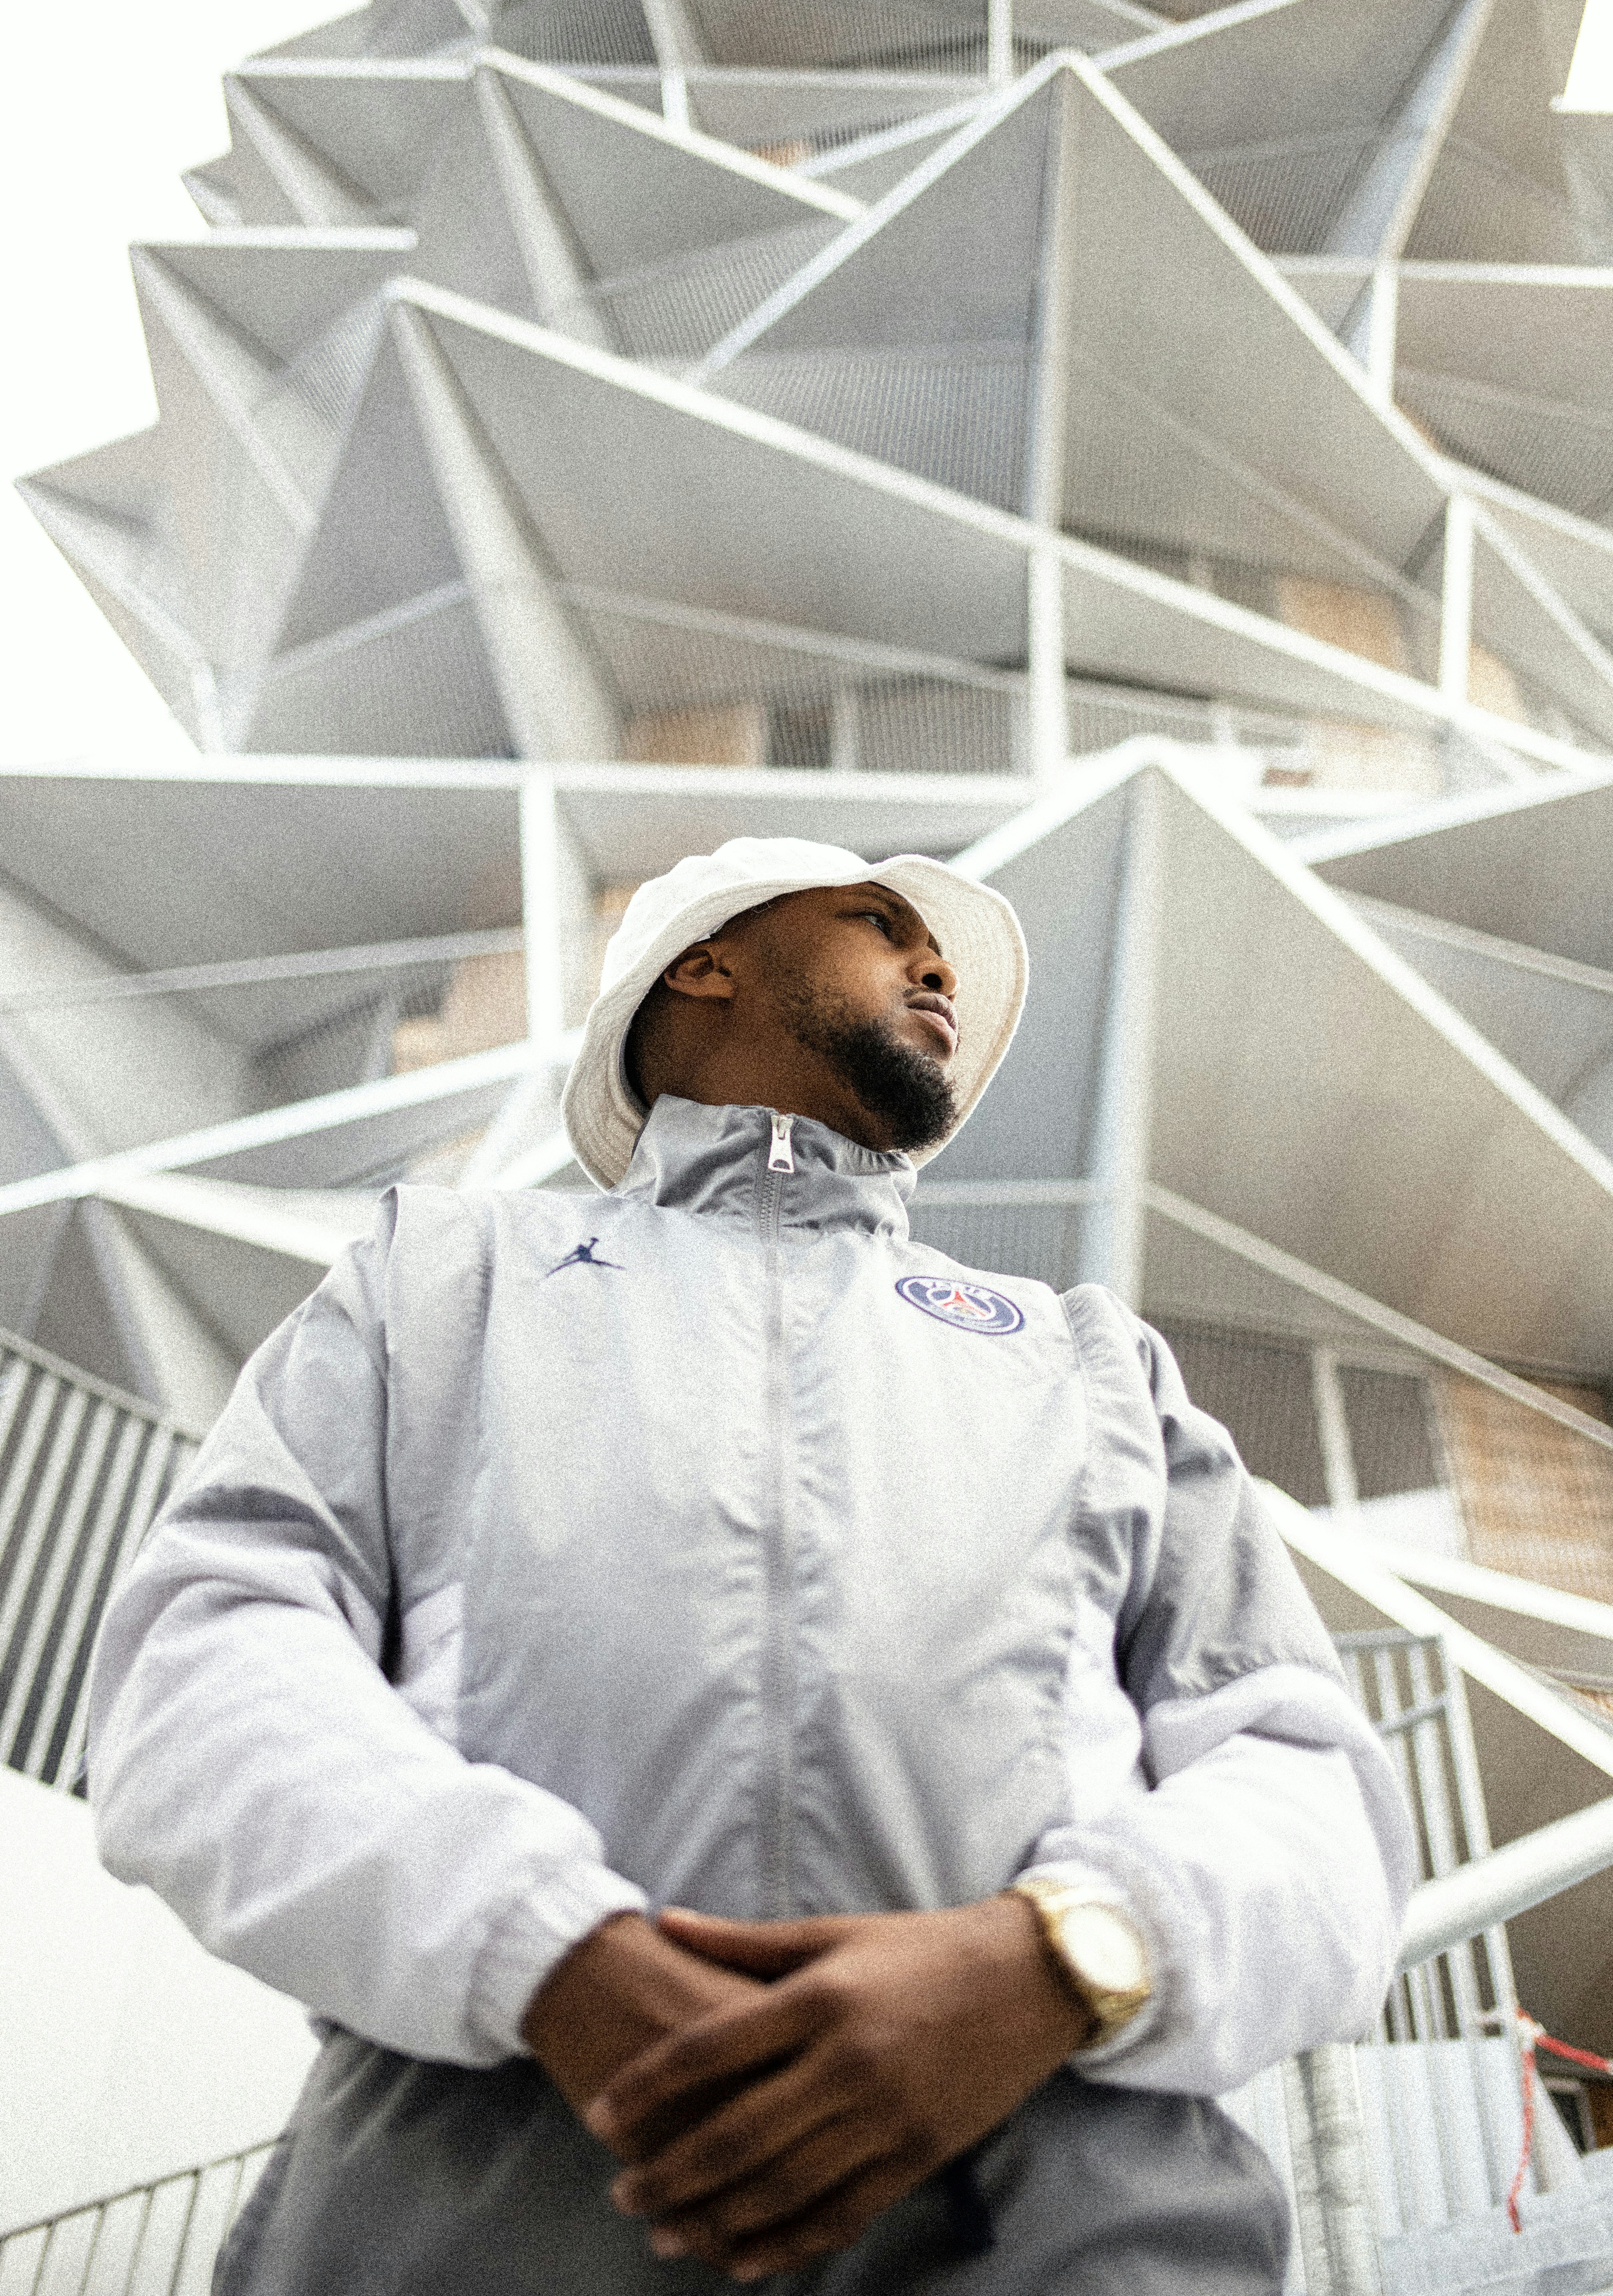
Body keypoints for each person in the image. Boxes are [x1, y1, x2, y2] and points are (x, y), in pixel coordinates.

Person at [88, 835, 1413, 2294]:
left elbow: (1313, 1785)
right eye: (878, 922)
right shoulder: (441, 1280)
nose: (937, 967)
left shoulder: (1093, 1362)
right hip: (467, 2243)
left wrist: (1054, 1961)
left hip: (1075, 2248)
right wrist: (544, 1947)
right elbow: (204, 1663)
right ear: (705, 959)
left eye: (942, 951)